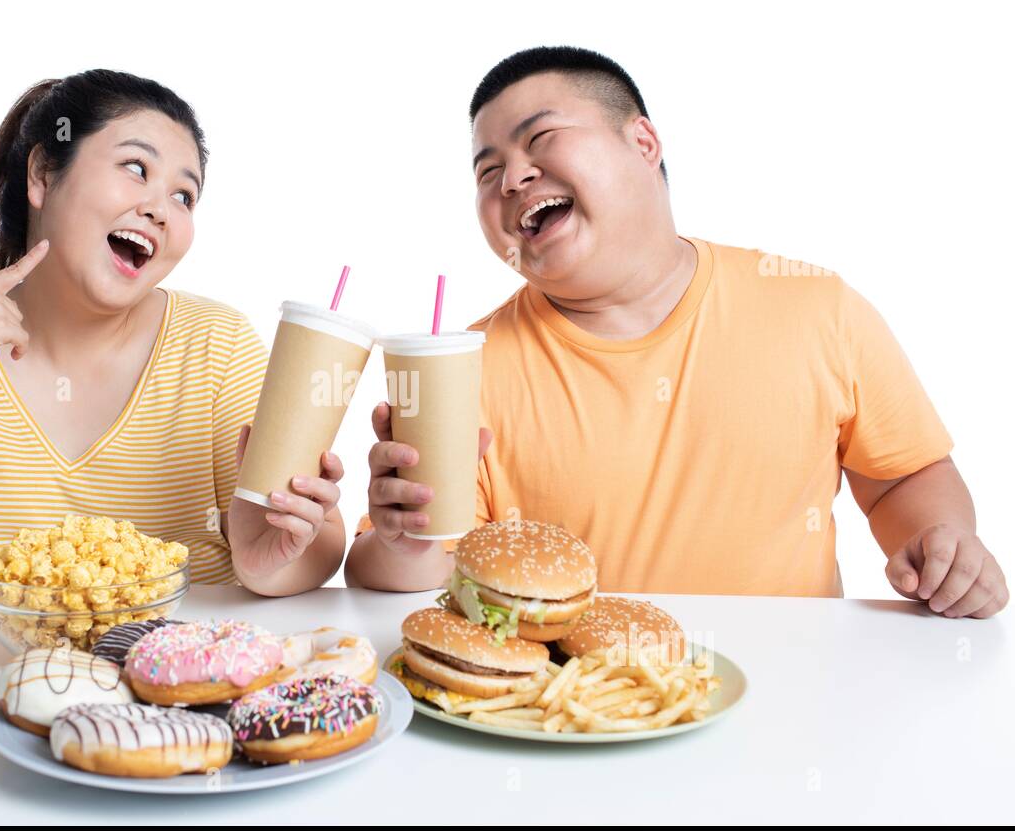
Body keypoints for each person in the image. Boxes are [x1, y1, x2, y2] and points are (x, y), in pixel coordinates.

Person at [346, 47, 1006, 619]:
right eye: (488, 172)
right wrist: (406, 544)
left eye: (540, 140)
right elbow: (405, 576)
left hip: (796, 706)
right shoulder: (463, 372)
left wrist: (939, 541)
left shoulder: (814, 306)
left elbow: (902, 475)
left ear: (643, 143)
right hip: (568, 718)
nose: (513, 178)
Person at [0, 69, 344, 598]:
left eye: (184, 196)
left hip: (184, 679)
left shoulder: (215, 345)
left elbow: (310, 550)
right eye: (136, 168)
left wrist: (266, 563)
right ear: (42, 174)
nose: (160, 209)